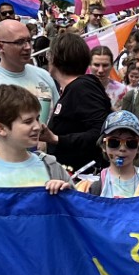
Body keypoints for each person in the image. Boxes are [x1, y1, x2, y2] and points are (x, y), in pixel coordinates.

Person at [45, 32, 114, 173]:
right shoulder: (75, 88)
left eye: (49, 55)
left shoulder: (82, 87)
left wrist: (57, 139)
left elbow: (100, 132)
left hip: (84, 179)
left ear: (55, 58)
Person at [0, 18, 58, 125]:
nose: (27, 47)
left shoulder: (44, 76)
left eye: (28, 40)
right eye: (19, 42)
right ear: (0, 46)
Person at [88, 111, 139, 197]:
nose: (122, 149)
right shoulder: (92, 185)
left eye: (131, 142)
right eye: (114, 142)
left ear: (138, 146)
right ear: (104, 146)